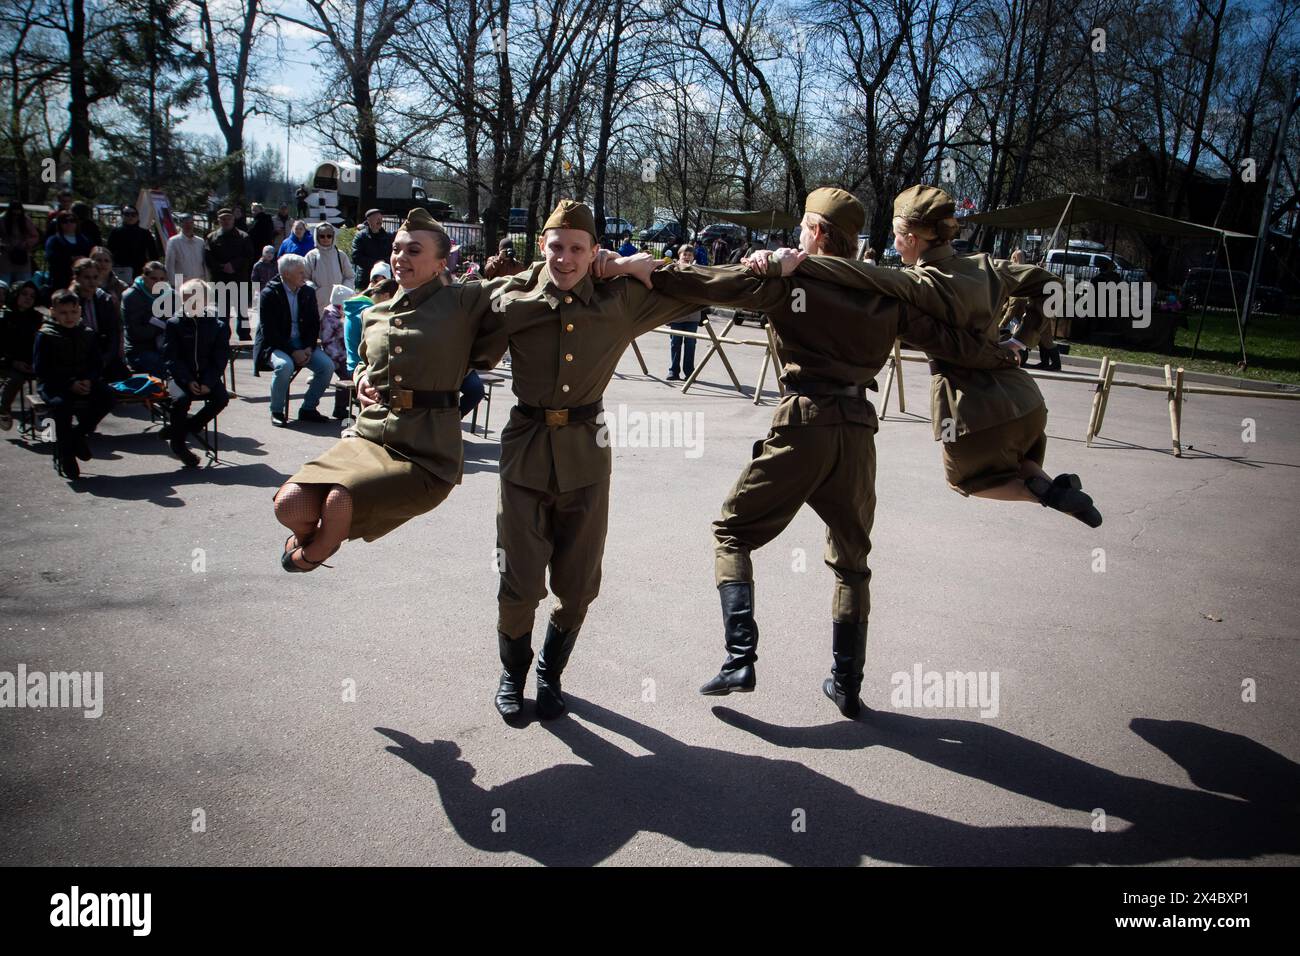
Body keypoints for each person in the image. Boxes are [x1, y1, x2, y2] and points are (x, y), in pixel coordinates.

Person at [598, 187, 1017, 720]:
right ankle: (846, 684)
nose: (797, 237)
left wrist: (644, 270)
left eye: (802, 227)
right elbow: (945, 342)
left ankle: (740, 658)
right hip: (858, 433)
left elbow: (718, 285)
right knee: (852, 563)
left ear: (817, 233)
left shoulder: (792, 278)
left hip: (805, 426)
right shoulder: (886, 292)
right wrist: (999, 352)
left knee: (732, 532)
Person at [359, 199, 705, 724]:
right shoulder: (510, 299)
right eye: (556, 246)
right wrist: (377, 375)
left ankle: (551, 672)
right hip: (523, 454)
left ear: (592, 253)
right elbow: (441, 330)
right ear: (542, 247)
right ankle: (514, 672)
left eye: (577, 249)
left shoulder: (620, 302)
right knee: (518, 582)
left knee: (579, 584)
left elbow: (693, 286)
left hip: (588, 456)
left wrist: (765, 269)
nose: (565, 259)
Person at [765, 184, 1100, 528]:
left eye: (897, 235)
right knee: (1015, 462)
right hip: (1025, 400)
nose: (894, 243)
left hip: (972, 410)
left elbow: (854, 273)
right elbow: (1053, 285)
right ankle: (1052, 490)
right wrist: (1020, 341)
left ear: (911, 238)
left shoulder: (917, 284)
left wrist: (784, 263)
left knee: (965, 480)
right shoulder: (988, 267)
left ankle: (1042, 495)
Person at [273, 208, 524, 573]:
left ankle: (314, 554)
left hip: (425, 450)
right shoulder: (376, 312)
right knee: (289, 504)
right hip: (369, 434)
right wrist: (360, 379)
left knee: (339, 501)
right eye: (396, 248)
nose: (400, 258)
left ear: (440, 262)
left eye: (414, 251)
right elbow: (361, 363)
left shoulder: (462, 301)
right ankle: (315, 536)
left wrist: (610, 264)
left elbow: (534, 280)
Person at [33, 288, 116, 479]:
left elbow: (96, 363)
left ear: (79, 311)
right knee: (61, 406)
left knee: (108, 396)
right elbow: (42, 369)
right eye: (63, 313)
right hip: (56, 383)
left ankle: (78, 435)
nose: (69, 317)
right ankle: (66, 454)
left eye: (73, 312)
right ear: (53, 312)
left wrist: (88, 378)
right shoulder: (45, 335)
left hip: (84, 380)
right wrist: (69, 383)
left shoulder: (86, 333)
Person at [253, 253, 334, 425]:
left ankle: (308, 408)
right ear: (286, 274)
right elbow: (269, 332)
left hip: (303, 344)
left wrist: (308, 348)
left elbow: (313, 324)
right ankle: (276, 410)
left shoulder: (308, 292)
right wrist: (292, 351)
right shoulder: (269, 293)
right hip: (276, 345)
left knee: (327, 366)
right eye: (300, 273)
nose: (304, 276)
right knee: (284, 366)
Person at [164, 278, 230, 468]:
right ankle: (179, 444)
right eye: (186, 299)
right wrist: (187, 379)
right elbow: (171, 358)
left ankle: (187, 427)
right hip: (180, 376)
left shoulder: (217, 325)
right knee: (182, 399)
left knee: (221, 398)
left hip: (206, 375)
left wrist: (208, 381)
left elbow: (219, 358)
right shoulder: (175, 323)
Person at [70, 256, 128, 381]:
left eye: (95, 277)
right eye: (87, 277)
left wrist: (106, 358)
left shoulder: (104, 299)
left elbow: (113, 333)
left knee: (121, 377)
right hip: (78, 354)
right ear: (77, 278)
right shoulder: (70, 301)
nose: (91, 282)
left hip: (102, 352)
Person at [205, 207, 254, 339]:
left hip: (239, 279)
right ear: (218, 220)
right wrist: (221, 267)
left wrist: (234, 265)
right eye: (223, 219)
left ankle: (244, 337)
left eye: (229, 218)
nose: (226, 221)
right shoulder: (211, 237)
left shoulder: (244, 236)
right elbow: (208, 258)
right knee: (222, 313)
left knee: (242, 312)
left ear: (233, 219)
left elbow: (249, 257)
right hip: (220, 280)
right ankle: (222, 338)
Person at [0, 280, 41, 430]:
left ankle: (41, 414)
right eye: (24, 294)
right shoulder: (3, 316)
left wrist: (34, 362)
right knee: (16, 377)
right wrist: (13, 362)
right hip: (6, 362)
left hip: (30, 362)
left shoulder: (37, 318)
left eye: (32, 295)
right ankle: (3, 409)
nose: (28, 298)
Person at [122, 260, 170, 377]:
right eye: (154, 278)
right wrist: (162, 327)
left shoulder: (168, 294)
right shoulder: (131, 296)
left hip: (163, 345)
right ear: (144, 277)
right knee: (167, 368)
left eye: (162, 279)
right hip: (139, 350)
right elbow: (136, 332)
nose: (158, 283)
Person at [342, 277, 397, 379]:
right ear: (386, 296)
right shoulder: (369, 313)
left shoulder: (356, 307)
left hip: (352, 365)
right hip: (361, 370)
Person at [667, 244, 703, 381]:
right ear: (679, 255)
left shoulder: (698, 271)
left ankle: (689, 373)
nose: (687, 257)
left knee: (690, 344)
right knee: (675, 343)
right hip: (676, 315)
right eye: (684, 254)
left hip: (693, 316)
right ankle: (673, 371)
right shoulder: (673, 269)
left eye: (690, 255)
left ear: (693, 257)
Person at [318, 284, 353, 419]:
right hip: (334, 354)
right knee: (347, 374)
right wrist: (341, 357)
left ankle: (345, 404)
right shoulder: (330, 317)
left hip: (342, 352)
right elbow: (327, 341)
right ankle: (340, 408)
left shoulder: (339, 315)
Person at [304, 222, 354, 314]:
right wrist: (315, 290)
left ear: (333, 236)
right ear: (317, 237)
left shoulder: (341, 255)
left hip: (338, 303)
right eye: (322, 236)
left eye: (329, 236)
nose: (326, 239)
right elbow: (304, 278)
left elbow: (350, 276)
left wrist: (343, 290)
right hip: (318, 302)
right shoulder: (311, 256)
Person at [43, 212, 92, 292]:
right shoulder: (53, 240)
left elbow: (90, 255)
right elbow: (51, 257)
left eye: (72, 221)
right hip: (59, 279)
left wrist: (83, 259)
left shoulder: (84, 240)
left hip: (81, 279)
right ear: (59, 224)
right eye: (65, 221)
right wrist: (71, 259)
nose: (69, 223)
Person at [106, 205, 158, 279]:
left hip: (140, 269)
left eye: (133, 214)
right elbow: (109, 251)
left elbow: (153, 252)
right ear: (122, 215)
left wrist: (154, 268)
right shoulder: (115, 232)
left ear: (137, 216)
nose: (130, 217)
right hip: (121, 269)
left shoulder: (145, 233)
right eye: (127, 214)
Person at [165, 213, 207, 292]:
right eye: (185, 223)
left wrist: (206, 281)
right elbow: (169, 265)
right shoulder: (174, 241)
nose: (188, 225)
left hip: (199, 282)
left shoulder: (200, 242)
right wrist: (173, 284)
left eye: (191, 223)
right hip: (182, 284)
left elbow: (204, 264)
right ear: (180, 224)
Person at [1, 201, 40, 283]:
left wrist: (26, 243)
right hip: (6, 257)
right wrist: (3, 245)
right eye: (14, 214)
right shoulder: (2, 220)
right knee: (4, 283)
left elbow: (35, 236)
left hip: (22, 257)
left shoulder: (25, 220)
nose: (16, 217)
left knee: (23, 284)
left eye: (18, 214)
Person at [350, 209, 392, 285]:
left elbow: (392, 255)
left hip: (383, 279)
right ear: (369, 221)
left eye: (381, 219)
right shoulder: (360, 236)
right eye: (377, 219)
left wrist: (383, 261)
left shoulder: (388, 237)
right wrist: (375, 263)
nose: (380, 221)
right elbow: (356, 257)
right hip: (364, 279)